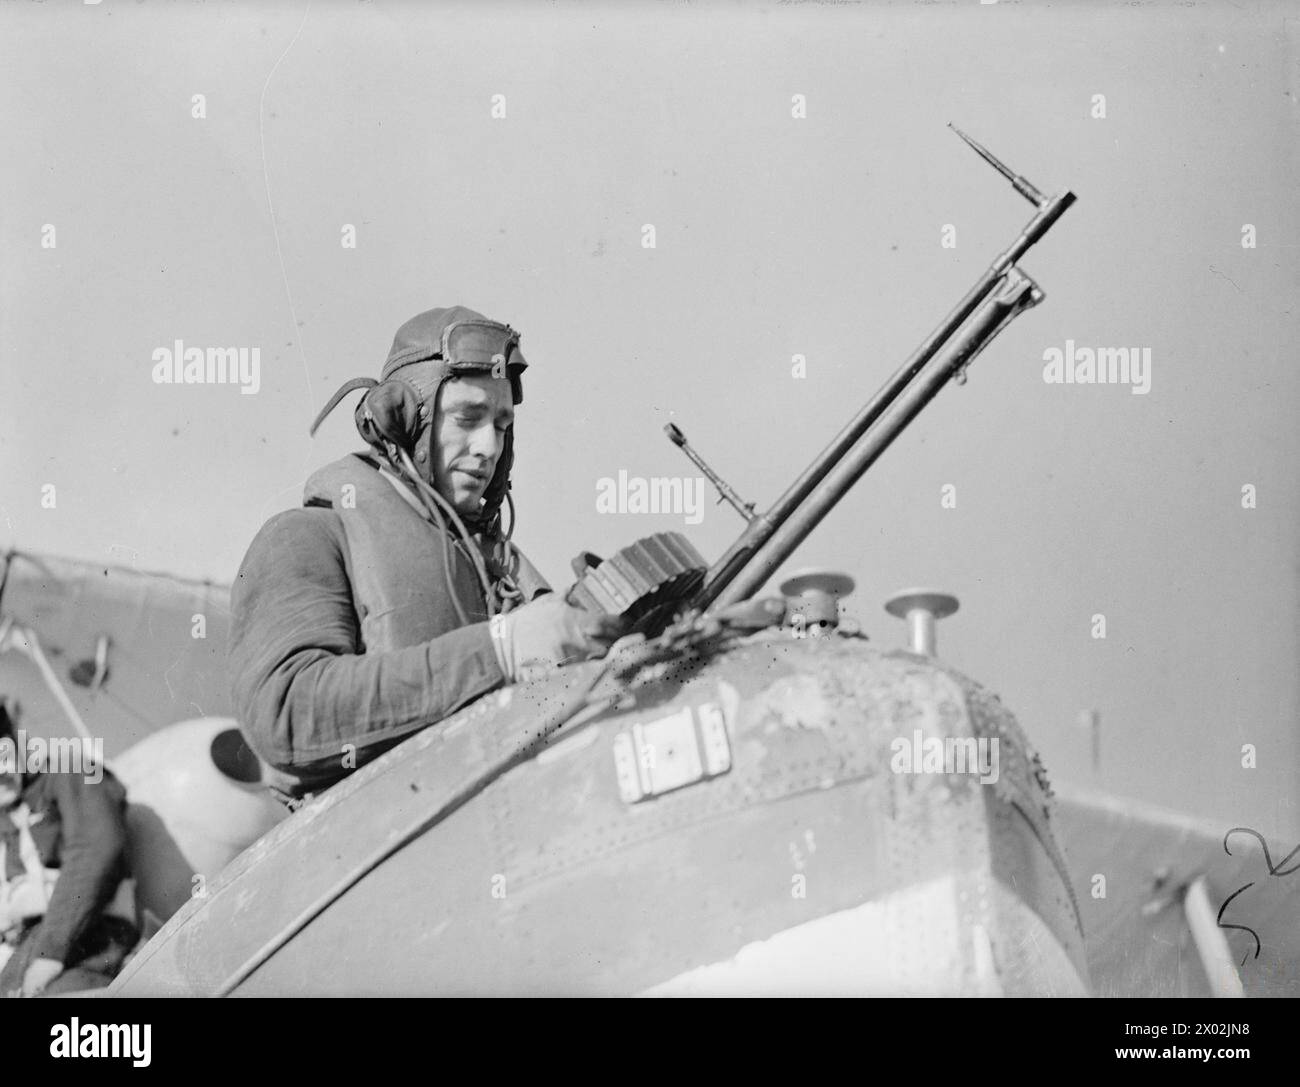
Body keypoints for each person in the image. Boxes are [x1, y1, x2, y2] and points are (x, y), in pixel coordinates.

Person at [228, 306, 623, 806]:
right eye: (468, 418)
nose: (488, 447)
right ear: (403, 418)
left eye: (502, 426)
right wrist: (501, 652)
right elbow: (285, 714)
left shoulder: (497, 569)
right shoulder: (307, 537)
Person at [0, 701, 137, 997]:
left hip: (94, 934)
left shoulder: (69, 771)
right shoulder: (7, 816)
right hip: (27, 946)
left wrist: (50, 953)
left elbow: (95, 849)